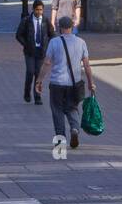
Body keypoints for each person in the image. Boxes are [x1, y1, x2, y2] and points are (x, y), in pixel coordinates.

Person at [35, 16, 95, 150]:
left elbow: (47, 62)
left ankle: (60, 139)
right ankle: (74, 129)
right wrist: (91, 83)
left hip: (57, 83)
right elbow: (86, 65)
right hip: (74, 83)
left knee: (57, 111)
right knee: (72, 108)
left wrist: (39, 80)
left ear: (60, 27)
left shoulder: (54, 42)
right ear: (72, 27)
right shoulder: (81, 42)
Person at [15, 0, 54, 104]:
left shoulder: (46, 20)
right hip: (30, 51)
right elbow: (18, 35)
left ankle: (37, 96)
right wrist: (26, 44)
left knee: (38, 74)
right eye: (37, 10)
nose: (39, 12)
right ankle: (27, 92)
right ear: (33, 9)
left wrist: (48, 45)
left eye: (41, 10)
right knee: (30, 71)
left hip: (41, 51)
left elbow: (52, 34)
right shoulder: (26, 20)